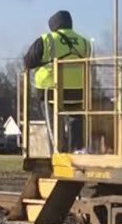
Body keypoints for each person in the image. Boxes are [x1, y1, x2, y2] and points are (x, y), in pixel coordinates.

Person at [22, 10, 91, 153]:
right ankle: (77, 150)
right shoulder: (84, 42)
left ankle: (58, 151)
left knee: (54, 121)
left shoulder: (47, 40)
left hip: (50, 90)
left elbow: (28, 61)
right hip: (78, 91)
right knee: (76, 120)